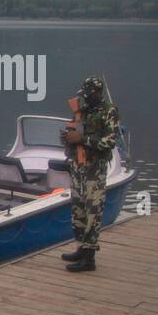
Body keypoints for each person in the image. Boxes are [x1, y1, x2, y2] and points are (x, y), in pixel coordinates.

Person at [60, 76, 119, 272]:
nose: (86, 99)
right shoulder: (81, 112)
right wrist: (67, 137)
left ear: (97, 93)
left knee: (93, 211)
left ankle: (89, 258)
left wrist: (83, 139)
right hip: (78, 167)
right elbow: (73, 133)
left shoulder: (108, 112)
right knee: (78, 210)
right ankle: (81, 248)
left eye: (89, 95)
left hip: (94, 168)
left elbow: (109, 141)